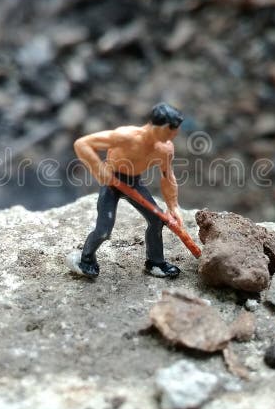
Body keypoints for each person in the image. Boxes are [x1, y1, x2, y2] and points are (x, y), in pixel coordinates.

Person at [72, 103, 188, 278]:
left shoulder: (165, 149)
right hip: (111, 182)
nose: (174, 135)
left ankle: (155, 262)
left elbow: (167, 177)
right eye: (171, 131)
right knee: (104, 230)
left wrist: (173, 206)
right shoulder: (126, 136)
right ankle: (85, 259)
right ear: (160, 127)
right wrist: (99, 170)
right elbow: (82, 144)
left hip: (133, 183)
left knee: (157, 221)